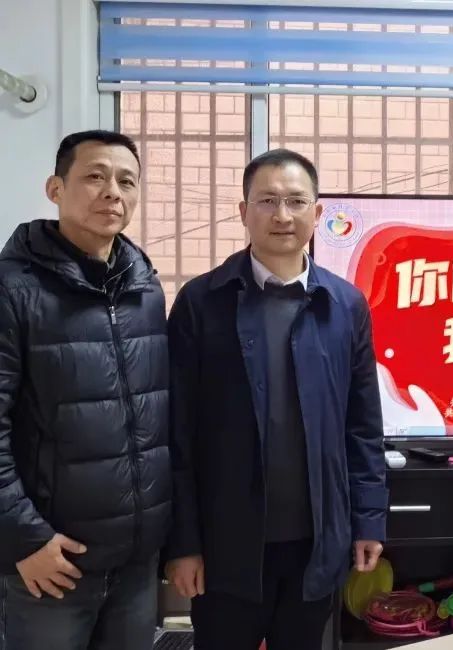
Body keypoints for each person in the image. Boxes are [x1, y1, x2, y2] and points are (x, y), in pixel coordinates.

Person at [164, 148, 387, 650]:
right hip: (224, 548)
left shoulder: (345, 305)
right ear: (244, 212)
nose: (282, 215)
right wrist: (183, 543)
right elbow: (176, 433)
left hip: (316, 547)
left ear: (318, 212)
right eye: (267, 201)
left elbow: (362, 427)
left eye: (296, 201)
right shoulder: (201, 302)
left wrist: (368, 519)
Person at [0, 130, 171, 650]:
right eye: (95, 176)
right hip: (50, 563)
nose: (112, 192)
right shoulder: (13, 289)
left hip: (136, 564)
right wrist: (25, 539)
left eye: (127, 181)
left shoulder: (145, 287)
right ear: (55, 188)